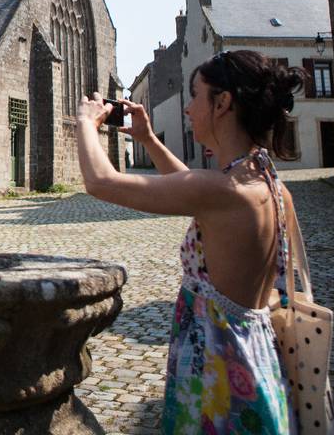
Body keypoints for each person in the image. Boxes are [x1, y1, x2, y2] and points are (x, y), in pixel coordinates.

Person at [76, 49, 302, 435]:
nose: (188, 108)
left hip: (219, 374)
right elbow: (192, 191)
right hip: (256, 359)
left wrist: (84, 121)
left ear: (223, 103)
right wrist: (147, 139)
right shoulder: (266, 185)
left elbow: (101, 182)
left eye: (195, 95)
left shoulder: (220, 190)